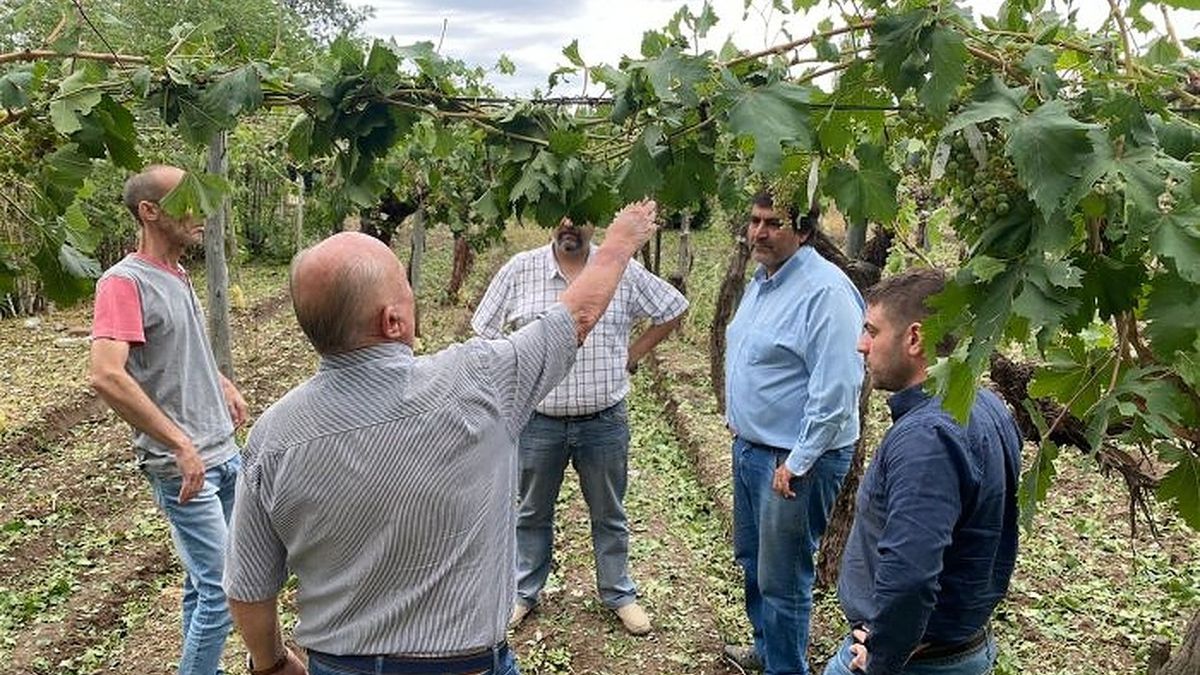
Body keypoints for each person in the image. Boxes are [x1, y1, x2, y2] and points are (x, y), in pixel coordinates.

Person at [222, 201, 659, 675]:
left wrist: (270, 664)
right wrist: (618, 244)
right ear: (393, 321)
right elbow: (576, 316)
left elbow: (247, 587)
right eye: (408, 290)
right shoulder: (478, 381)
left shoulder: (272, 436)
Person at [472, 216, 688, 635]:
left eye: (581, 218)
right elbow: (483, 329)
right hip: (539, 421)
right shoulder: (521, 269)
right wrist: (514, 373)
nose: (570, 225)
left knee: (609, 513)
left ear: (597, 223)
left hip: (603, 420)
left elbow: (673, 308)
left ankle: (619, 593)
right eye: (562, 216)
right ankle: (523, 591)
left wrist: (633, 353)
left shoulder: (621, 270)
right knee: (531, 512)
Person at [89, 165, 248, 675]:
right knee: (226, 590)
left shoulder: (177, 275)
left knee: (203, 584)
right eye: (187, 202)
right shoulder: (123, 283)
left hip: (221, 451)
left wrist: (221, 383)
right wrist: (179, 443)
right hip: (185, 465)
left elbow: (181, 350)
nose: (200, 212)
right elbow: (107, 376)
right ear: (149, 211)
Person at [823, 268, 1021, 675]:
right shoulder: (986, 406)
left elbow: (911, 573)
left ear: (914, 339)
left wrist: (882, 656)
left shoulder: (926, 439)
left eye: (872, 331)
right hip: (962, 646)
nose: (861, 345)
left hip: (918, 661)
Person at [723, 192, 866, 675]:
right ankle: (767, 651)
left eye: (773, 223)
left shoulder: (825, 292)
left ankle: (785, 667)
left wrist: (798, 461)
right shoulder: (762, 282)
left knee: (783, 579)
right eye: (754, 221)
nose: (759, 232)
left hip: (792, 460)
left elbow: (838, 389)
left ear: (803, 232)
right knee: (754, 562)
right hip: (753, 449)